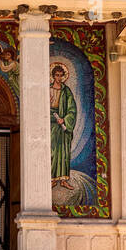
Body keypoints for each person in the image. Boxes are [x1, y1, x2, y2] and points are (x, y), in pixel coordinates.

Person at [50, 64, 76, 192]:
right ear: (53, 76)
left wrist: (65, 119)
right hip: (52, 124)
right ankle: (52, 179)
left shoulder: (66, 91)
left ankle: (64, 180)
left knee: (64, 152)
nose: (59, 78)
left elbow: (72, 109)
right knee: (53, 151)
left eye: (61, 76)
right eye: (57, 75)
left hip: (63, 125)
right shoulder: (48, 89)